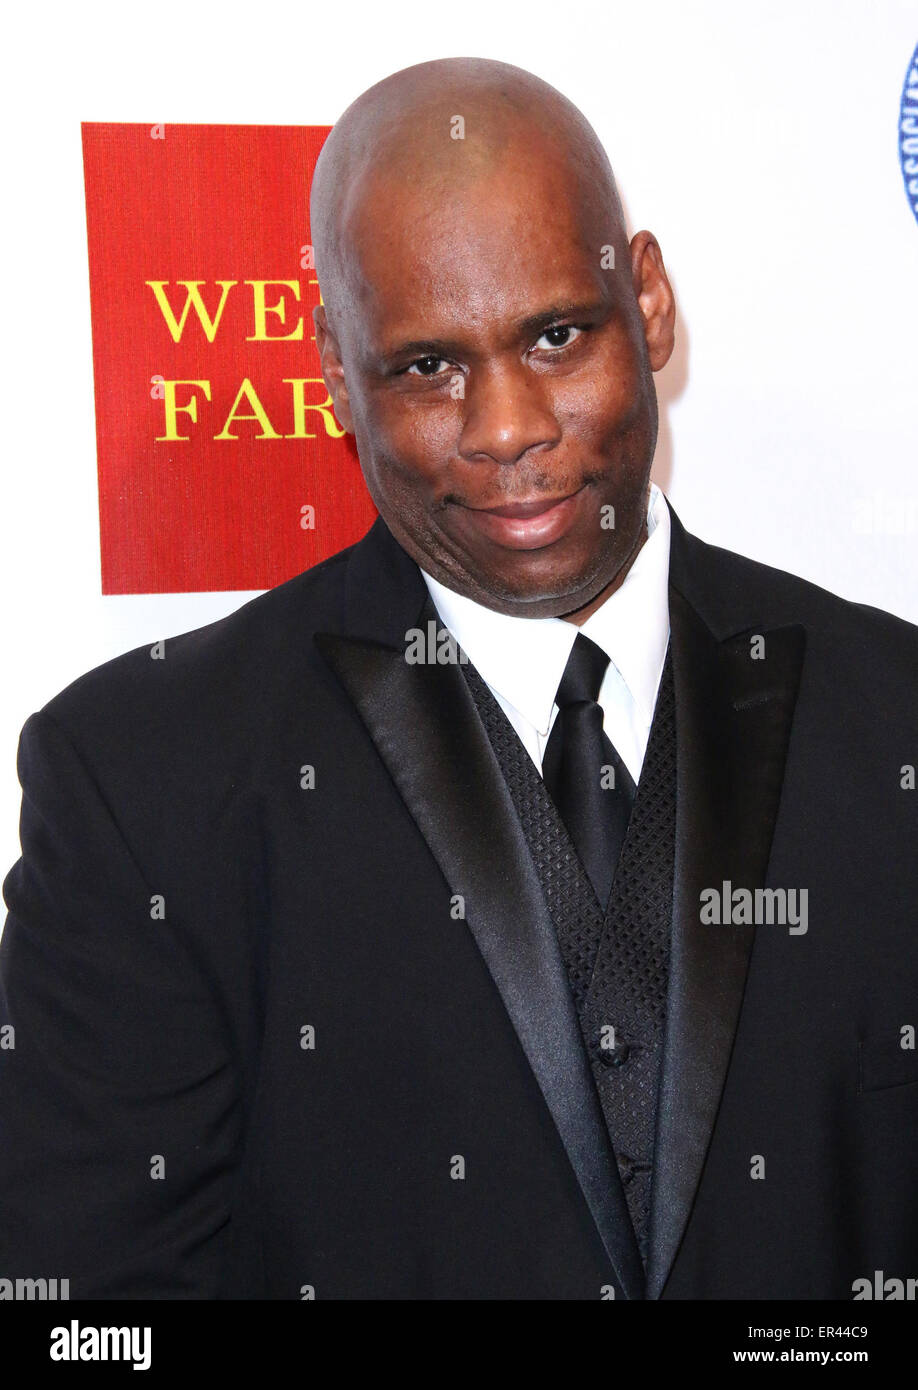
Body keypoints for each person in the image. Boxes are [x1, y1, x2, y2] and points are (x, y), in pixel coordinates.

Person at [1, 56, 916, 1301]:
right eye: (428, 366)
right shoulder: (149, 782)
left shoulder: (892, 714)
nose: (505, 429)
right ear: (333, 366)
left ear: (647, 302)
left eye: (555, 334)